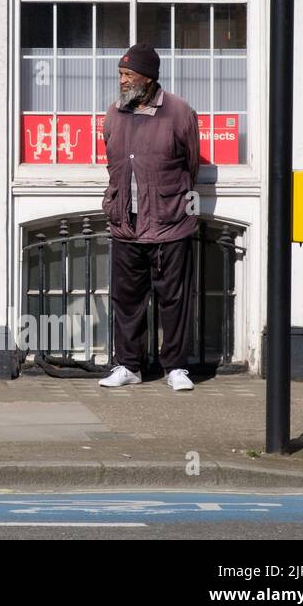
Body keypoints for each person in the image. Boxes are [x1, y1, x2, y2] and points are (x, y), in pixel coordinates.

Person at [98, 42, 201, 392]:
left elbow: (192, 165)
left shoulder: (179, 112)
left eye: (129, 75)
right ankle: (129, 365)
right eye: (121, 74)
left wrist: (173, 202)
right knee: (127, 301)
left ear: (149, 78)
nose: (123, 81)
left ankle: (175, 367)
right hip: (126, 223)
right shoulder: (113, 113)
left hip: (170, 223)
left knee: (174, 299)